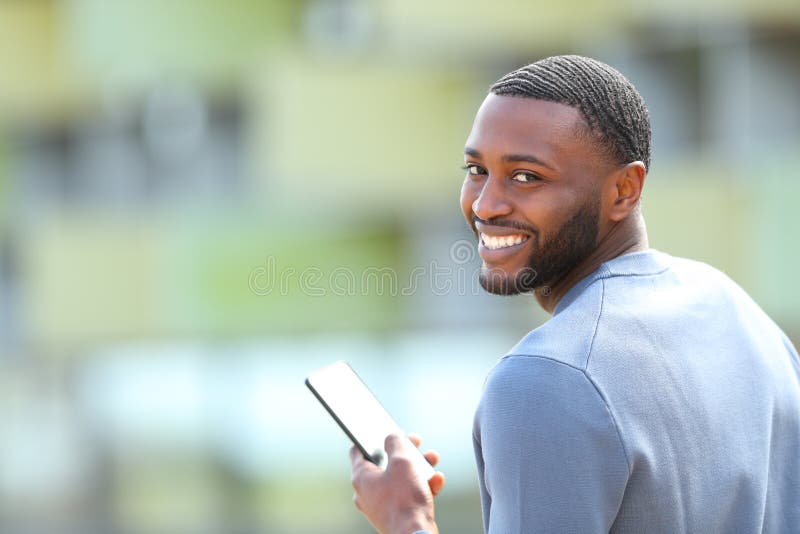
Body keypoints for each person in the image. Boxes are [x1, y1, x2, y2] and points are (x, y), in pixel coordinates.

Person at [349, 55, 800, 533]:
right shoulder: (731, 307)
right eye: (476, 169)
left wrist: (407, 520)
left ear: (624, 190)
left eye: (526, 176)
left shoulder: (546, 378)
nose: (485, 204)